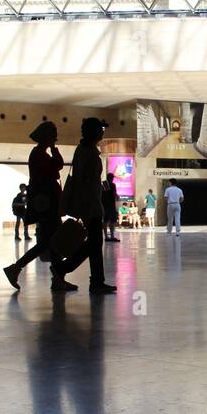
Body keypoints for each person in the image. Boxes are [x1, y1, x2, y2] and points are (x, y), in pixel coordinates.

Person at [3, 121, 77, 292]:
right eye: (53, 134)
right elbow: (58, 165)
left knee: (49, 242)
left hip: (45, 203)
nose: (55, 138)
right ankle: (19, 269)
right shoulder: (40, 154)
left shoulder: (38, 153)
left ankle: (55, 278)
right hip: (47, 204)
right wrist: (54, 149)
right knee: (52, 242)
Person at [60, 117, 117, 294]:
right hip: (90, 204)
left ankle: (94, 279)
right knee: (94, 242)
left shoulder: (84, 149)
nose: (102, 132)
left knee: (94, 243)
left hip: (89, 203)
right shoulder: (89, 152)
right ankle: (66, 270)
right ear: (93, 131)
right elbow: (86, 181)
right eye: (100, 129)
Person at [101, 171, 119, 242]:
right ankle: (112, 236)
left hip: (104, 205)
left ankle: (106, 236)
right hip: (111, 205)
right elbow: (114, 194)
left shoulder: (104, 184)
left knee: (105, 221)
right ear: (112, 178)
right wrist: (116, 196)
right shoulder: (113, 185)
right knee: (112, 221)